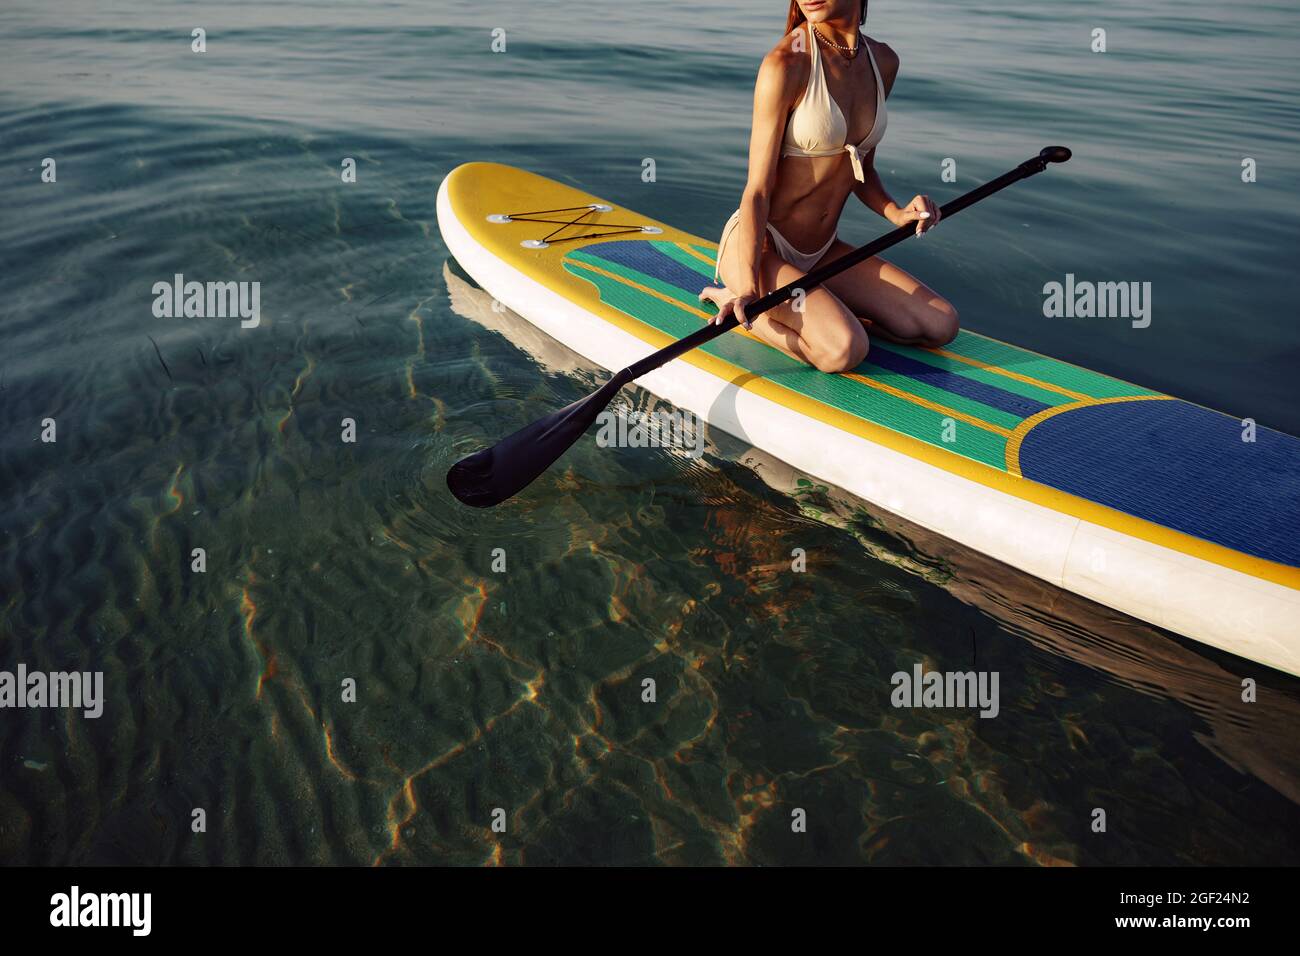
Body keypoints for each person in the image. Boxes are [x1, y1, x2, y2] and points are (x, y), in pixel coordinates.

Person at [701, 0, 958, 373]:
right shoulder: (786, 63)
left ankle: (822, 306)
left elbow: (861, 167)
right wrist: (747, 289)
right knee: (844, 349)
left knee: (940, 324)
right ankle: (738, 301)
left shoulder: (882, 62)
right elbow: (757, 189)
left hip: (821, 252)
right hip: (760, 248)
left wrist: (897, 212)